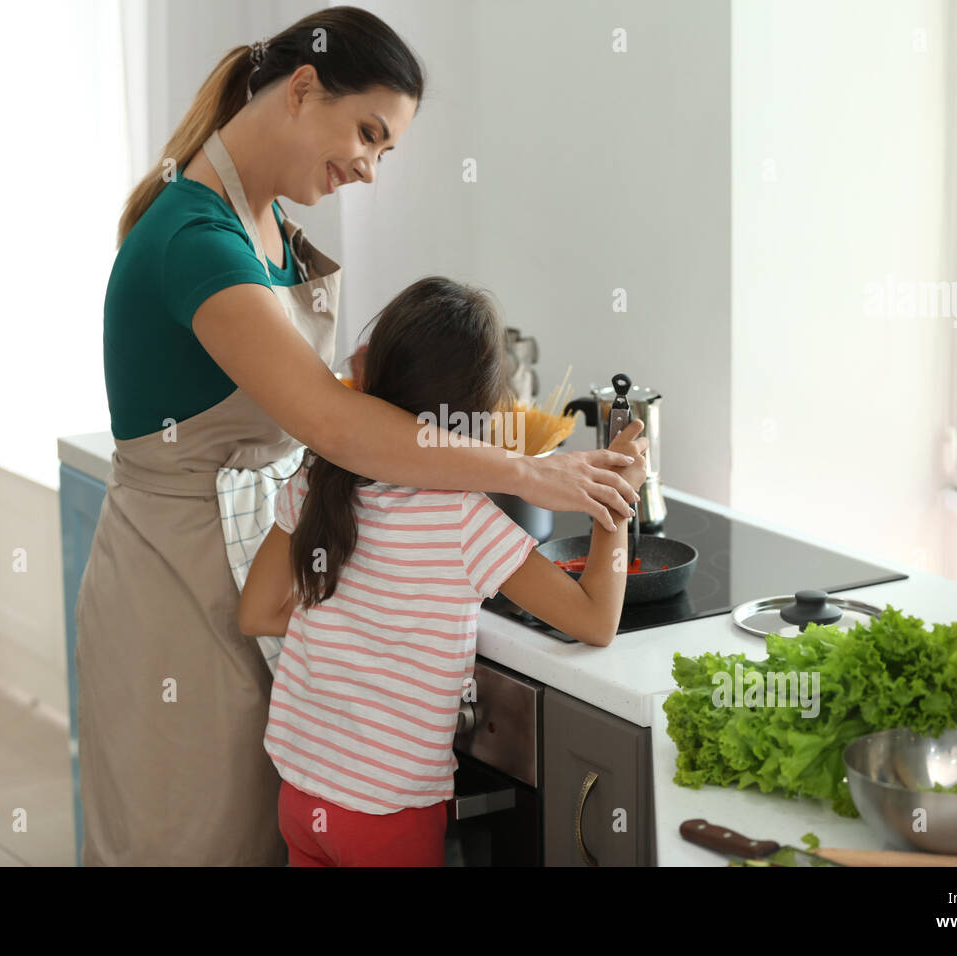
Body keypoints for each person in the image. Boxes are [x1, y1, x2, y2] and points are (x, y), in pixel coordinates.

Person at [75, 6, 645, 866]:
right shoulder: (196, 240)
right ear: (303, 89)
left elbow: (336, 418)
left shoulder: (263, 226)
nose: (371, 168)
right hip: (174, 596)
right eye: (369, 133)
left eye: (387, 151)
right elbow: (333, 422)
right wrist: (531, 474)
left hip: (242, 588)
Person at [239, 276, 648, 866]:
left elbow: (256, 613)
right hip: (386, 815)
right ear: (479, 410)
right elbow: (594, 621)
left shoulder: (315, 479)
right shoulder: (460, 518)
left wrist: (347, 626)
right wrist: (614, 503)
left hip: (302, 798)